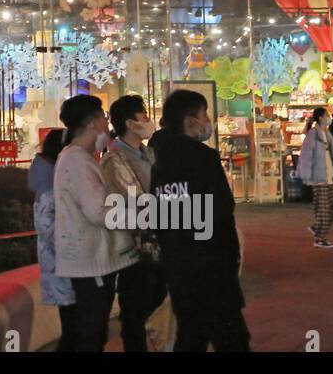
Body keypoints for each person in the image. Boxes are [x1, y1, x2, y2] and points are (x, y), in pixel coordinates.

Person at [149, 89, 250, 352]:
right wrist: (231, 256)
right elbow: (222, 209)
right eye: (204, 115)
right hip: (211, 264)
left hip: (179, 264)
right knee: (231, 337)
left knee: (191, 333)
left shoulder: (160, 162)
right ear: (190, 120)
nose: (208, 121)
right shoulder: (203, 157)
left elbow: (159, 214)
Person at [53, 95, 138, 352]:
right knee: (92, 333)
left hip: (92, 263)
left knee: (88, 332)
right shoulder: (77, 161)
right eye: (102, 116)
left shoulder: (81, 157)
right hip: (93, 265)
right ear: (92, 122)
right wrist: (142, 219)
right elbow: (100, 211)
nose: (106, 122)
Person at [101, 94, 168, 352]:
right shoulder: (114, 159)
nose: (149, 121)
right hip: (134, 246)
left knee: (153, 301)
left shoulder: (147, 153)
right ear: (129, 123)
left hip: (156, 241)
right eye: (144, 116)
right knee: (135, 311)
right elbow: (134, 200)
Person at [27, 129, 78, 349]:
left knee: (73, 328)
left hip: (63, 266)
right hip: (64, 267)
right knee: (73, 330)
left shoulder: (50, 178)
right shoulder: (50, 185)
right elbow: (49, 229)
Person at [298, 108, 333, 248]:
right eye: (327, 115)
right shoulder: (313, 134)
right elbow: (306, 155)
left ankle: (317, 227)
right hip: (318, 177)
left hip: (328, 175)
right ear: (321, 118)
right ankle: (320, 238)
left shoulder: (326, 133)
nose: (329, 118)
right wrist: (307, 175)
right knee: (323, 209)